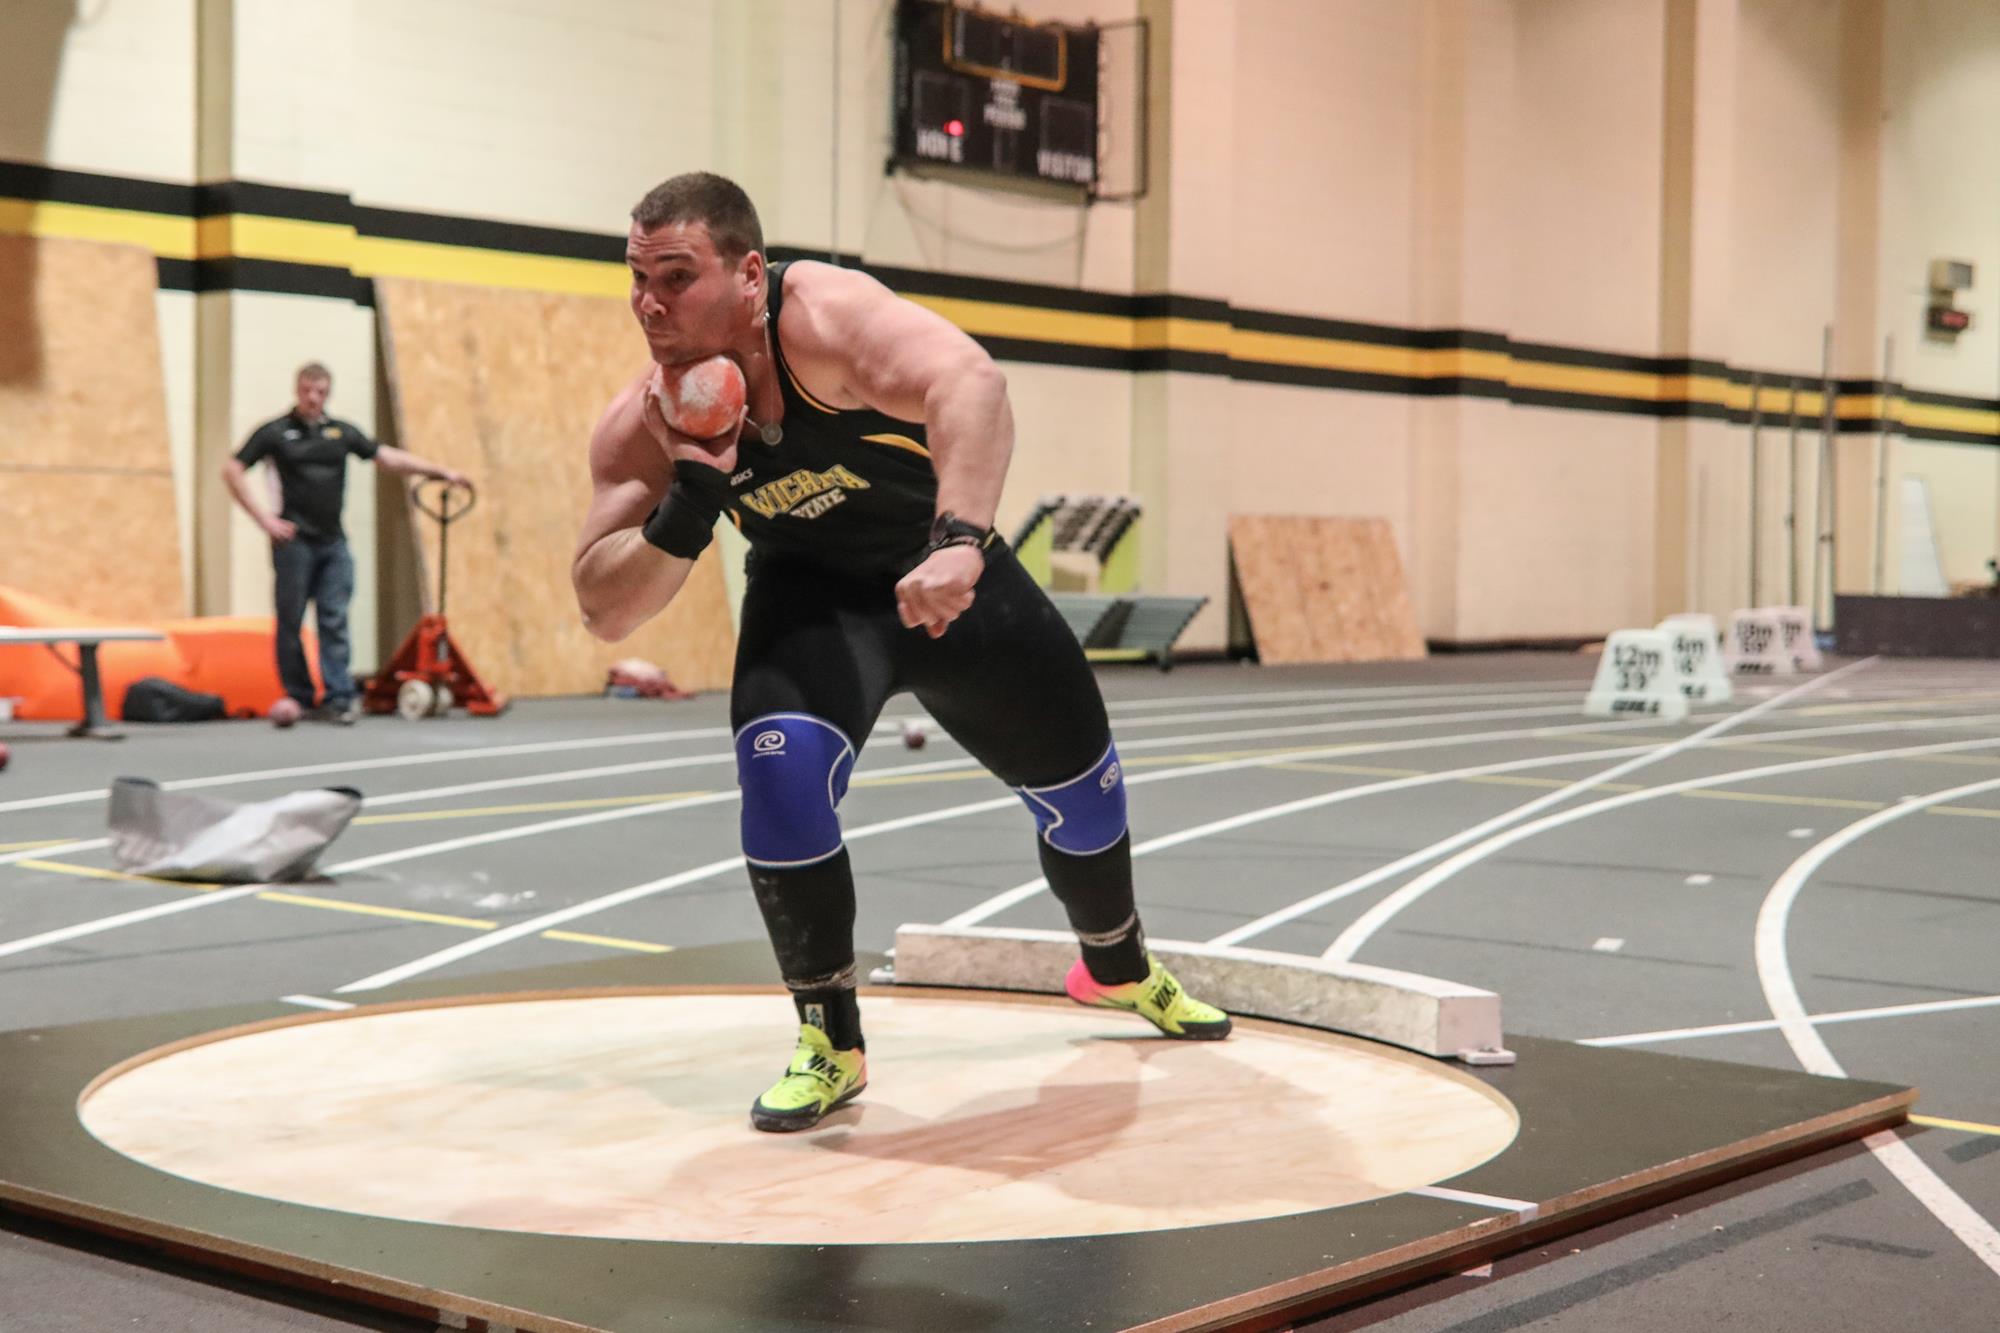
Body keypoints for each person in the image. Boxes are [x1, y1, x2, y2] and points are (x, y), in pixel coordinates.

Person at [573, 173, 1230, 1134]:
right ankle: (830, 1039)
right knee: (781, 778)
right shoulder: (646, 422)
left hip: (946, 579)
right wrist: (693, 501)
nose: (648, 303)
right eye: (636, 278)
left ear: (751, 276)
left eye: (675, 276)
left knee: (1087, 803)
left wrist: (960, 537)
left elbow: (970, 380)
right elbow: (603, 607)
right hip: (813, 602)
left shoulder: (825, 321)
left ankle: (1115, 964)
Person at [222, 363, 469, 724]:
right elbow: (232, 468)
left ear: (327, 394)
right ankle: (299, 696)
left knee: (334, 617)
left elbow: (386, 458)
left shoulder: (340, 433)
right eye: (306, 390)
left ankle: (339, 697)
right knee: (290, 621)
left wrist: (439, 471)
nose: (312, 398)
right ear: (297, 390)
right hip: (294, 543)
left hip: (332, 543)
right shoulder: (276, 433)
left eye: (319, 392)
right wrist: (264, 520)